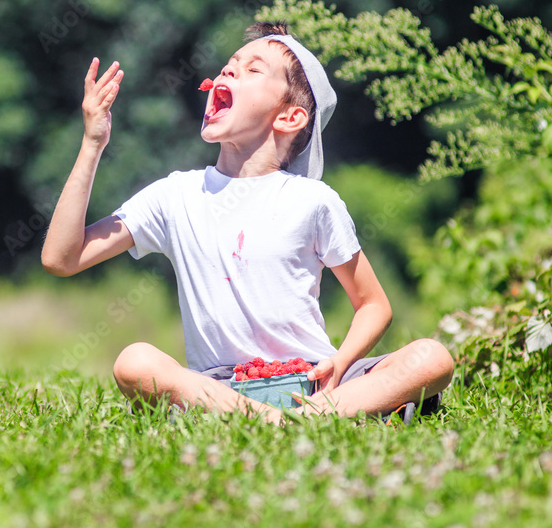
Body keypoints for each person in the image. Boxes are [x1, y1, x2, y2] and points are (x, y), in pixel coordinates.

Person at [41, 21, 454, 425]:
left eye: (253, 69)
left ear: (290, 118)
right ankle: (297, 423)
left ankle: (303, 417)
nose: (228, 70)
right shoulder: (175, 195)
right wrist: (92, 143)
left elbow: (374, 305)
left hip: (315, 380)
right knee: (134, 361)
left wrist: (339, 362)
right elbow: (63, 257)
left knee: (432, 358)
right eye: (228, 65)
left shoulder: (313, 200)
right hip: (221, 386)